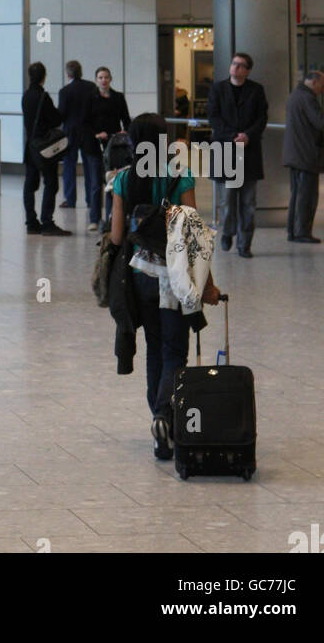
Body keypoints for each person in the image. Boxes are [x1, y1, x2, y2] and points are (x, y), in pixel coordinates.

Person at [110, 113, 220, 460]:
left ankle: (160, 421)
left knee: (155, 348)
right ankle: (164, 415)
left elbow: (115, 237)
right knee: (176, 351)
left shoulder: (124, 180)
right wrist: (209, 284)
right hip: (175, 279)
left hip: (141, 275)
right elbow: (196, 234)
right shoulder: (179, 175)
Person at [207, 52, 268, 258]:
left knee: (248, 203)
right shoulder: (218, 89)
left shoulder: (256, 90)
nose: (235, 68)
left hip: (249, 152)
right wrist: (233, 135)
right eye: (234, 63)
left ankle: (245, 244)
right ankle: (228, 232)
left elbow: (262, 118)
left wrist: (248, 135)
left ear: (247, 70)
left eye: (241, 65)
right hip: (225, 149)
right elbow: (213, 117)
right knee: (228, 200)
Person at [281, 70, 324, 244]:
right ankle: (302, 232)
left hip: (296, 153)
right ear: (315, 82)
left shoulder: (296, 95)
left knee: (297, 195)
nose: (322, 90)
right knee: (306, 196)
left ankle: (293, 231)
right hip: (305, 155)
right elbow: (321, 122)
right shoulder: (307, 98)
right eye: (322, 86)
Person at [21, 62, 70, 235]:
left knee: (30, 185)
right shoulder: (43, 96)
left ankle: (31, 222)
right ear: (44, 76)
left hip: (30, 146)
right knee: (51, 183)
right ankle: (47, 222)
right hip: (45, 148)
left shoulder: (26, 96)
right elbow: (56, 119)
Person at [85, 66, 131, 233]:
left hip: (114, 147)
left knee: (112, 182)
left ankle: (112, 217)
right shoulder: (90, 98)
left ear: (110, 79)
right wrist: (96, 134)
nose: (103, 80)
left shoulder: (118, 97)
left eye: (106, 77)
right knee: (96, 183)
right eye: (100, 77)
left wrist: (125, 133)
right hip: (95, 145)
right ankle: (94, 218)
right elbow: (85, 122)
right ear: (96, 80)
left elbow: (126, 119)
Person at [58, 61, 100, 213]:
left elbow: (61, 114)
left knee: (69, 166)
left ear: (68, 74)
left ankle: (70, 199)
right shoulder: (91, 87)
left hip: (70, 133)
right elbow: (95, 110)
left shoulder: (64, 91)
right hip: (88, 132)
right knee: (89, 167)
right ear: (81, 72)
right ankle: (91, 199)